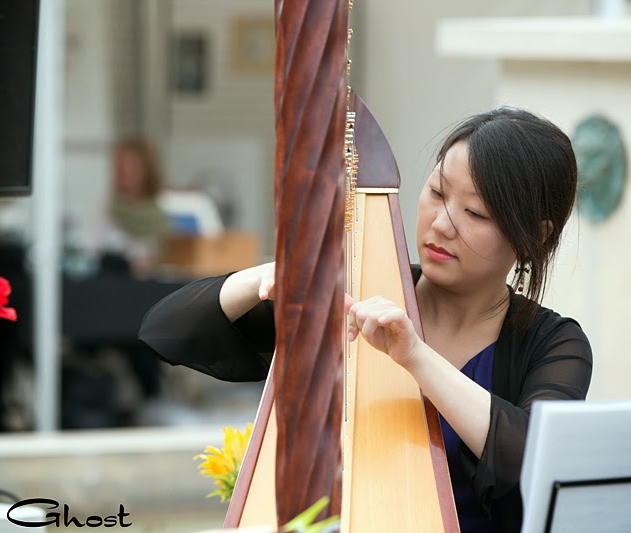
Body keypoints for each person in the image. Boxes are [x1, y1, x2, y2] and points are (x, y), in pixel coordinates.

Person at [137, 108, 593, 532]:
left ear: (534, 234)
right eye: (436, 192)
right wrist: (272, 272)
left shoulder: (555, 344)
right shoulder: (358, 296)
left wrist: (414, 356)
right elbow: (165, 331)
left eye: (474, 213)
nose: (440, 224)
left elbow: (533, 460)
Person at [90, 139, 170, 278]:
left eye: (131, 166)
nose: (124, 172)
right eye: (119, 166)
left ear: (147, 169)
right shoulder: (105, 208)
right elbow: (91, 250)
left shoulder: (166, 206)